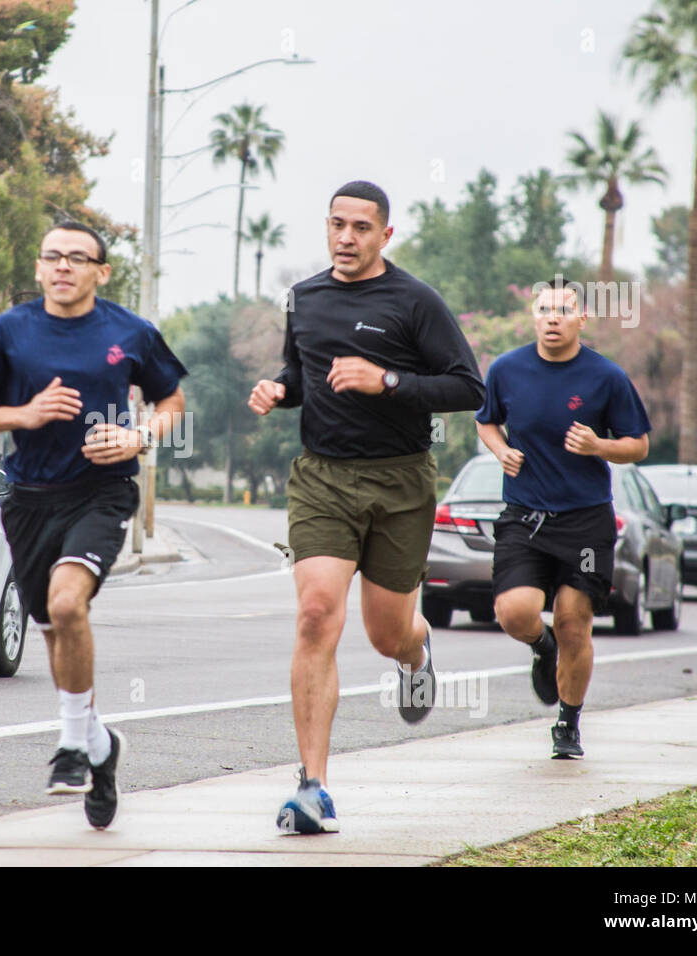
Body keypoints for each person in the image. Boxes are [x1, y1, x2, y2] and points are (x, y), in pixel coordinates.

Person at [248, 180, 484, 834]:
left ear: (385, 234)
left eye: (360, 227)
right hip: (322, 477)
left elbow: (468, 387)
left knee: (386, 632)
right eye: (336, 225)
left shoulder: (415, 302)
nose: (346, 238)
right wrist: (279, 388)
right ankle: (312, 787)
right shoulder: (306, 297)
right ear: (326, 228)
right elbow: (302, 373)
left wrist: (388, 381)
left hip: (401, 482)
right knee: (316, 612)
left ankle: (416, 650)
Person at [0, 221, 187, 829]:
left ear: (101, 271)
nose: (64, 267)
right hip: (28, 500)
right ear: (38, 267)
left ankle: (73, 746)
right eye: (53, 256)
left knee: (69, 604)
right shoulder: (8, 331)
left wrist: (137, 435)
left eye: (79, 258)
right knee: (53, 628)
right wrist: (23, 414)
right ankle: (102, 749)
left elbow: (173, 406)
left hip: (102, 493)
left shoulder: (130, 332)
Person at [475, 278, 651, 759]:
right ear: (533, 315)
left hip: (585, 521)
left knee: (575, 622)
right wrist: (500, 449)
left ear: (581, 319)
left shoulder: (606, 377)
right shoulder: (507, 369)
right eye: (545, 308)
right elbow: (485, 419)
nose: (553, 317)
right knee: (514, 613)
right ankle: (540, 643)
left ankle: (568, 723)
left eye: (564, 309)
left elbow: (638, 443)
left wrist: (600, 446)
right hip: (524, 517)